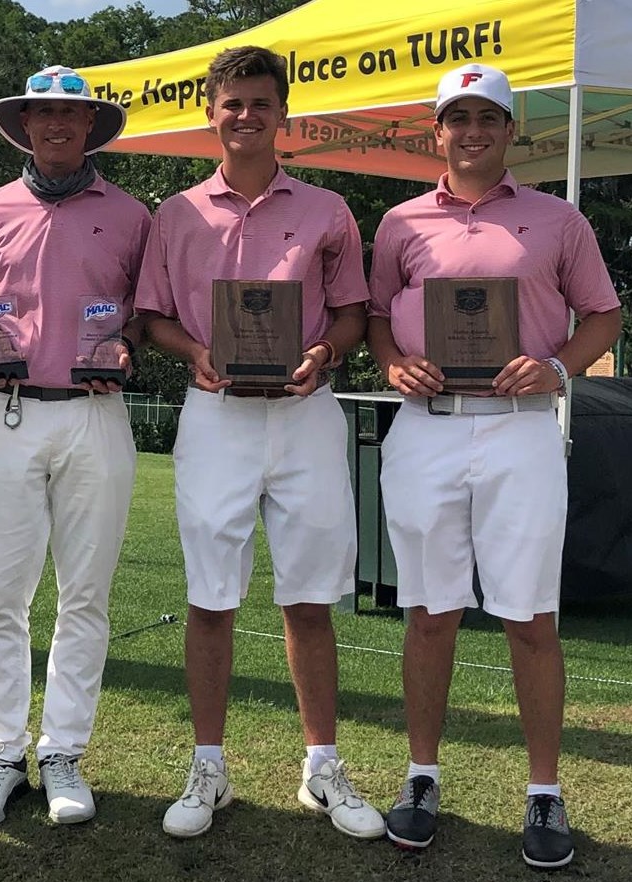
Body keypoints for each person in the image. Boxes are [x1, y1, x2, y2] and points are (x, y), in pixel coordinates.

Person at [366, 63, 622, 869]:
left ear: (513, 130)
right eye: (458, 117)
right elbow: (375, 317)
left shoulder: (558, 220)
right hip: (427, 427)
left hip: (521, 430)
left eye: (488, 118)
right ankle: (421, 777)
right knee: (429, 613)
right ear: (437, 130)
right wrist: (392, 362)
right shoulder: (399, 222)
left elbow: (604, 314)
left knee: (531, 618)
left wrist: (557, 368)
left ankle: (544, 790)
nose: (472, 131)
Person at [136, 46, 383, 841]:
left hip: (306, 412)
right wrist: (194, 351)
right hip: (216, 413)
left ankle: (322, 766)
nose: (245, 115)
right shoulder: (176, 213)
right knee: (211, 596)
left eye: (260, 103)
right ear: (210, 111)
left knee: (309, 599)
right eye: (232, 102)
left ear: (284, 114)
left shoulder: (327, 209)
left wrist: (326, 352)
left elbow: (351, 312)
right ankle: (209, 766)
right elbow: (153, 317)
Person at [0, 65, 149, 828]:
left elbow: (144, 313)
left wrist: (127, 344)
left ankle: (63, 750)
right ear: (25, 125)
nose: (58, 124)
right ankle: (1, 752)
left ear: (90, 126)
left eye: (72, 114)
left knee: (85, 594)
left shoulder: (132, 215)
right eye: (44, 114)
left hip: (97, 413)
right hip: (9, 411)